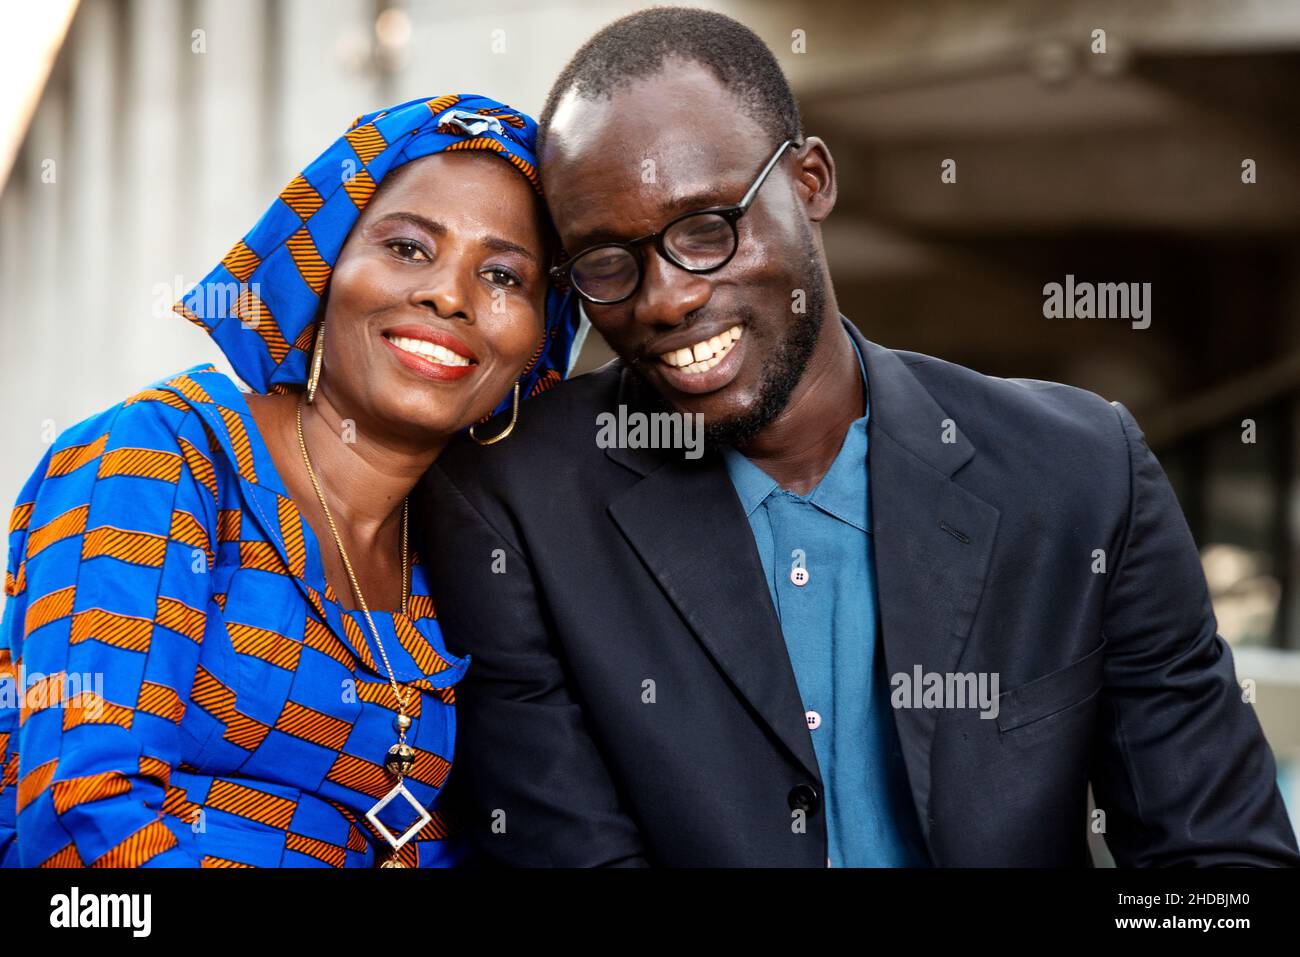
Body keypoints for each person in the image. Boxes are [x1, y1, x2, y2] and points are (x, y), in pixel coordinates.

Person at [419, 10, 1300, 866]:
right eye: (609, 262)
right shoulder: (513, 501)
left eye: (705, 229)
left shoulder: (1083, 471)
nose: (664, 300)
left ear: (810, 182)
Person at [0, 93, 579, 867]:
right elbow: (82, 820)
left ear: (540, 338)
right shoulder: (165, 456)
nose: (451, 295)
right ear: (323, 265)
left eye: (504, 274)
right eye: (408, 247)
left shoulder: (470, 553)